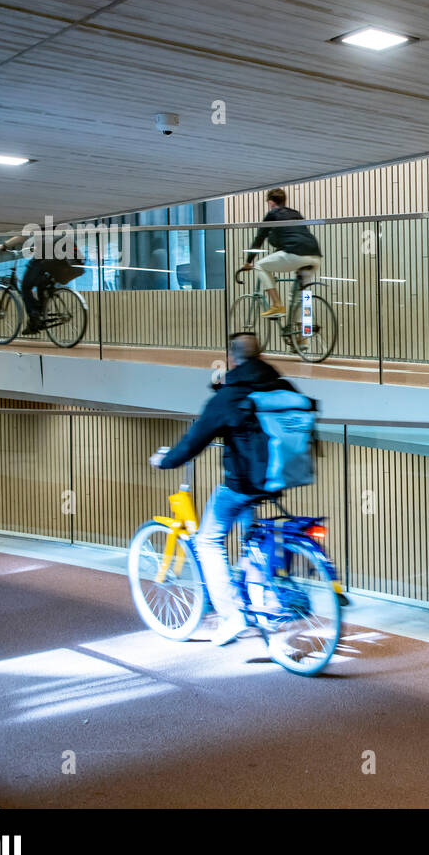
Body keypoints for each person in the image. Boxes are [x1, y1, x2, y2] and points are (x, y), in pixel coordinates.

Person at [149, 332, 316, 645]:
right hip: (280, 476)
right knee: (250, 532)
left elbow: (193, 441)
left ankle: (231, 615)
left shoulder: (229, 396)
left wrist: (166, 460)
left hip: (243, 482)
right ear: (260, 353)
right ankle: (257, 592)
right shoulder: (280, 384)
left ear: (231, 358)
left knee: (208, 540)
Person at [243, 188, 321, 318]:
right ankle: (302, 335)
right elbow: (294, 236)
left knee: (260, 265)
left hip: (295, 255)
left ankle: (277, 305)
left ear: (270, 202)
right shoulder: (296, 213)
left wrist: (248, 261)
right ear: (285, 201)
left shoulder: (272, 214)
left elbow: (259, 238)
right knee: (296, 298)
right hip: (315, 256)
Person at [0, 231, 55, 335]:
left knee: (25, 286)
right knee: (41, 282)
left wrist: (4, 245)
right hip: (58, 256)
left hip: (43, 257)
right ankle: (42, 311)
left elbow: (22, 236)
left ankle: (34, 317)